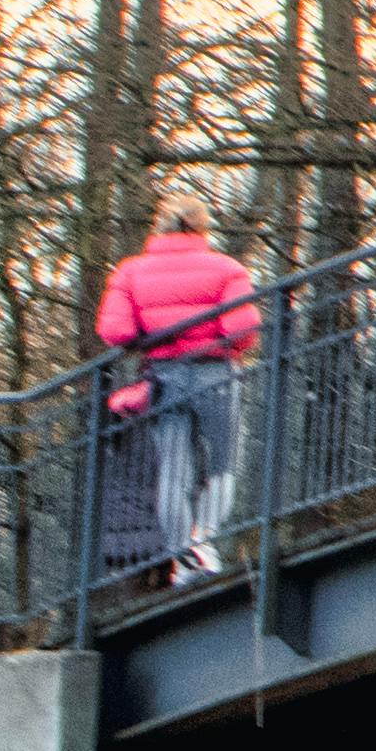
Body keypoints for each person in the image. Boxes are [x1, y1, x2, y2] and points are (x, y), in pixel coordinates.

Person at [95, 189, 262, 582]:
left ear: (161, 225)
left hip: (164, 376)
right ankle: (203, 540)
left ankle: (181, 557)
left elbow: (114, 329)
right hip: (215, 374)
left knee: (173, 470)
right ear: (202, 226)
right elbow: (242, 329)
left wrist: (150, 342)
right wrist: (220, 345)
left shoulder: (130, 271)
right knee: (224, 461)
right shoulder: (227, 269)